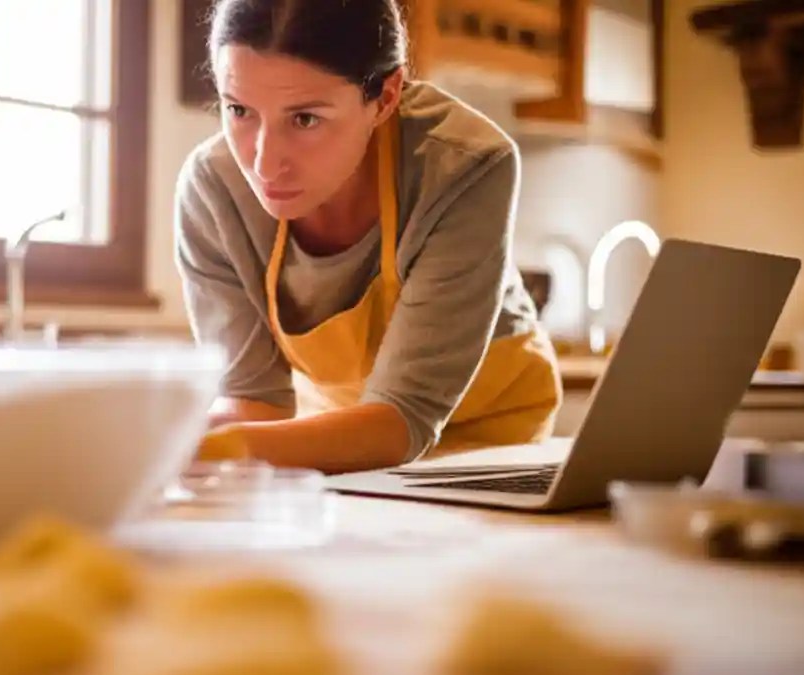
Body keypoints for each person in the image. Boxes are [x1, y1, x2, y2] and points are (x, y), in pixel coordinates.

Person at [176, 0, 561, 474]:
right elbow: (256, 406)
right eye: (239, 110)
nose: (263, 162)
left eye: (304, 119)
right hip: (337, 437)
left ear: (385, 96)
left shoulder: (464, 166)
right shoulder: (213, 192)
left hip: (490, 438)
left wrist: (204, 450)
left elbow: (402, 418)